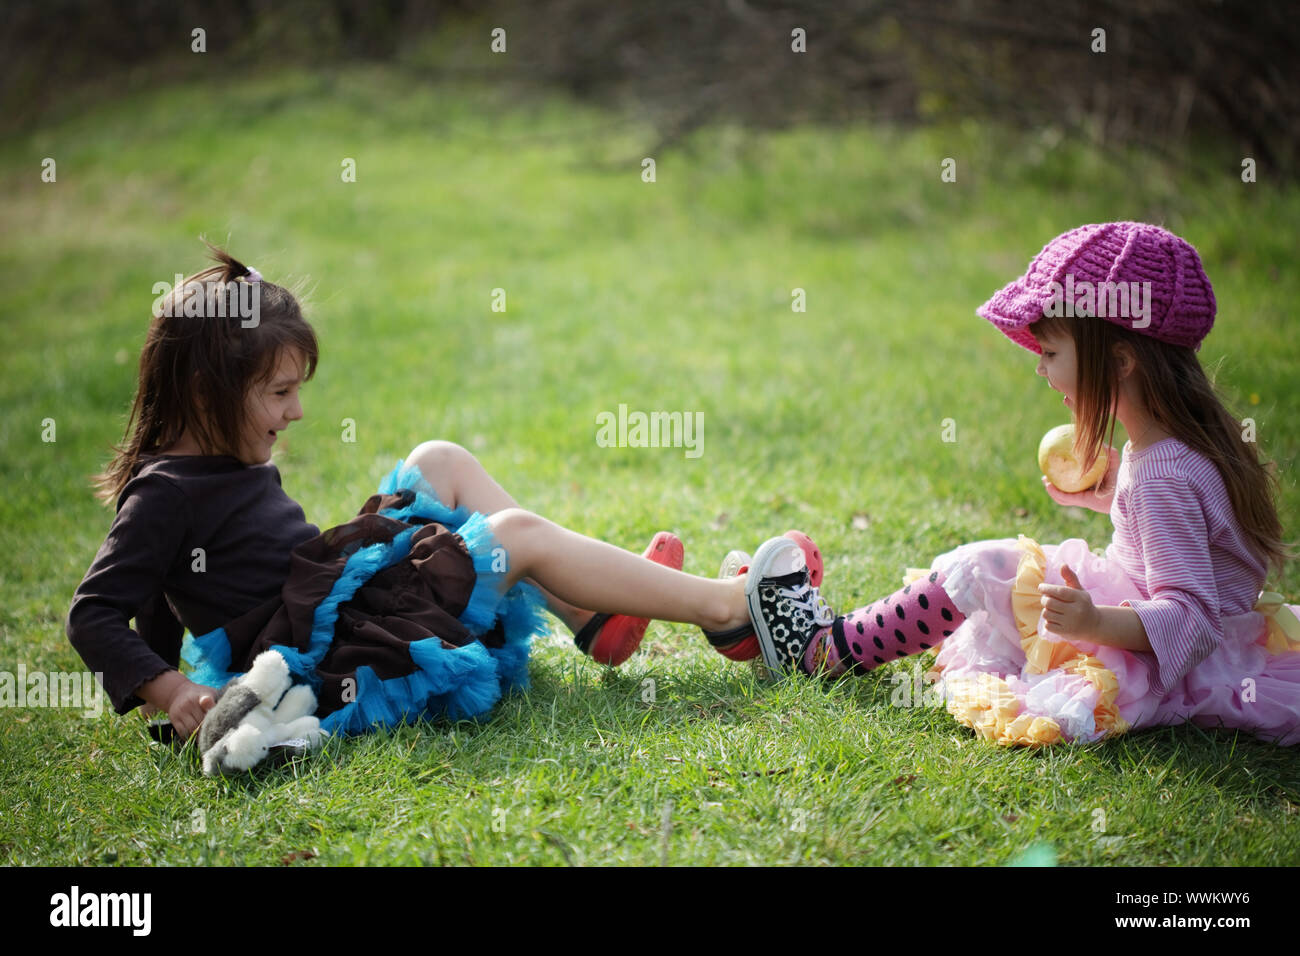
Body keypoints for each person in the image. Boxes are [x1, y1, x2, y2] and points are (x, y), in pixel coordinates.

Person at [65, 243, 810, 741]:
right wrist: (170, 695)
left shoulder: (220, 452)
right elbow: (96, 612)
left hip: (333, 600)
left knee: (439, 459)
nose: (298, 412)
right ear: (206, 391)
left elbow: (161, 592)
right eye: (281, 392)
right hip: (326, 659)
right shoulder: (164, 493)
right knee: (514, 535)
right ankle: (727, 612)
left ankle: (592, 617)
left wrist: (166, 684)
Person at [736, 222, 1300, 746]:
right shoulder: (1183, 445)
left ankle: (821, 651)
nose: (1040, 369)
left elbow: (1194, 618)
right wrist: (1112, 499)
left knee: (985, 566)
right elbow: (1194, 543)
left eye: (1051, 353)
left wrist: (1093, 622)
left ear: (1122, 360)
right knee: (1005, 570)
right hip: (1182, 630)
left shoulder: (1161, 473)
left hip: (1153, 647)